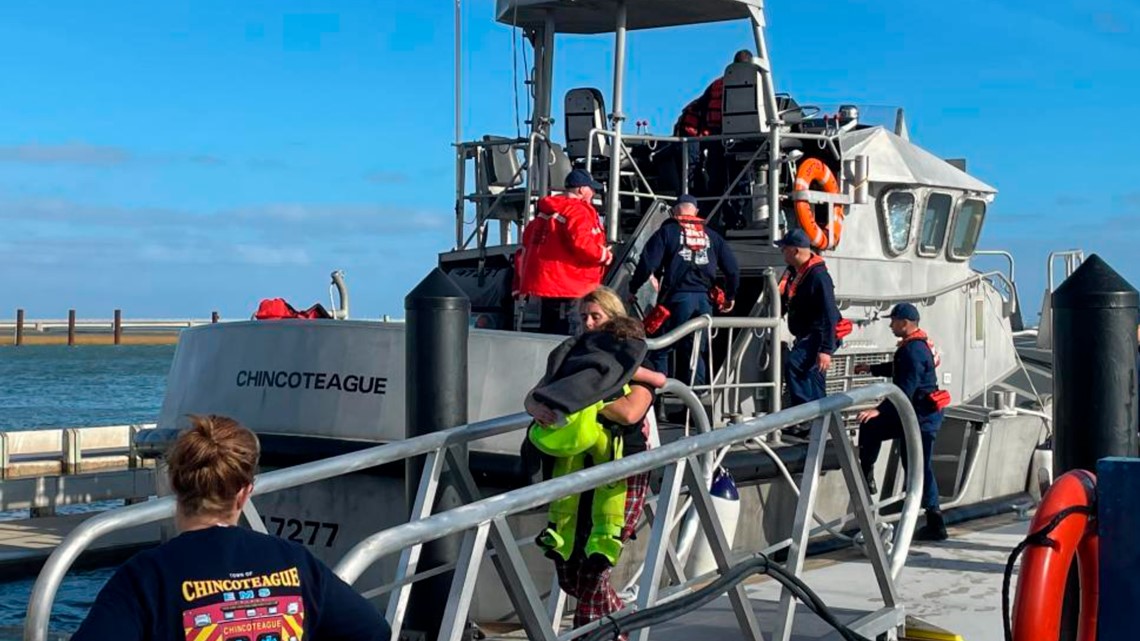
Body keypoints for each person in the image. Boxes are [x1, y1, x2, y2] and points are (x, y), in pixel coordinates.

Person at [72, 415, 391, 641]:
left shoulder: (147, 576)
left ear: (174, 483)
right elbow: (373, 630)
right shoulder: (292, 562)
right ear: (244, 492)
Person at [523, 288, 663, 637]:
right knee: (571, 571)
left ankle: (595, 635)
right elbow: (539, 393)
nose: (587, 323)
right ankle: (623, 628)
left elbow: (631, 412)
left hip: (622, 472)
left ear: (613, 318)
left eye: (595, 316)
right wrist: (536, 407)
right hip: (577, 470)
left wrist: (585, 402)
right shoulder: (574, 361)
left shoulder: (633, 364)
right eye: (583, 316)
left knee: (595, 569)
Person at [854, 303, 949, 541]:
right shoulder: (915, 347)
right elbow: (900, 370)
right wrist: (871, 369)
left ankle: (935, 521)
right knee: (876, 432)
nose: (890, 324)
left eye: (894, 320)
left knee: (918, 466)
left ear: (905, 323)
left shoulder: (912, 350)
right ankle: (867, 472)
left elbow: (905, 387)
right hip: (914, 415)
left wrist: (879, 409)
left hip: (920, 419)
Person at [630, 194, 740, 389]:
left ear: (674, 210)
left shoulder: (667, 232)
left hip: (676, 299)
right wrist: (730, 296)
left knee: (660, 348)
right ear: (696, 212)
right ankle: (694, 402)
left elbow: (647, 264)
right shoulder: (712, 235)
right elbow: (732, 269)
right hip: (704, 301)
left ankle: (657, 400)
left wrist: (633, 288)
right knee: (696, 350)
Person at [516, 168, 614, 335]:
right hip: (572, 284)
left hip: (546, 284)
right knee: (573, 333)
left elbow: (527, 242)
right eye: (592, 189)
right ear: (582, 190)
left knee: (549, 331)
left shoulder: (546, 211)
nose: (593, 194)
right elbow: (582, 243)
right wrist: (604, 255)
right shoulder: (578, 211)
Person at [657, 49, 755, 198]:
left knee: (715, 171)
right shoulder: (736, 85)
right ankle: (696, 200)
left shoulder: (719, 83)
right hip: (695, 130)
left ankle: (709, 201)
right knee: (696, 169)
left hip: (713, 133)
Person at [775, 229, 840, 434]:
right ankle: (821, 422)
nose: (782, 253)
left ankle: (805, 417)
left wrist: (825, 349)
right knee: (814, 378)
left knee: (795, 365)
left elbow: (829, 314)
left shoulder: (818, 277)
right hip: (807, 333)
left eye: (784, 249)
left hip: (818, 334)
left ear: (795, 250)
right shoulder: (796, 272)